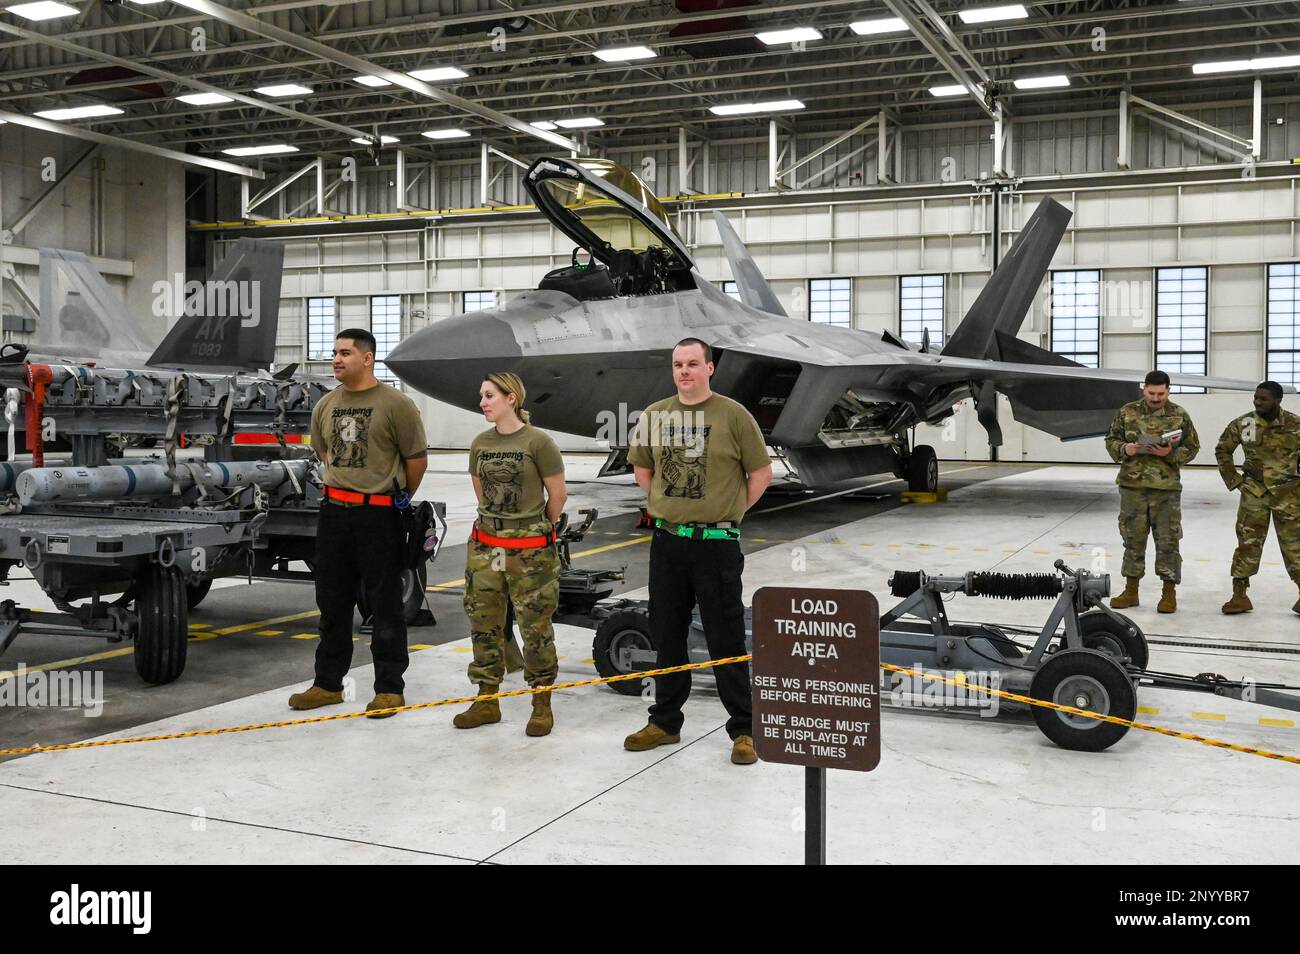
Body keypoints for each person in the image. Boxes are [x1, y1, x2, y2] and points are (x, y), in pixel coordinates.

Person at [623, 337, 773, 765]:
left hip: (716, 546)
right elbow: (643, 469)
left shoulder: (734, 415)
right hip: (668, 543)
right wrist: (666, 508)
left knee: (725, 637)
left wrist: (732, 510)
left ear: (710, 368)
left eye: (692, 363)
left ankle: (744, 730)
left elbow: (760, 473)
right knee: (667, 635)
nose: (684, 371)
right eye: (677, 364)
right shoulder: (655, 415)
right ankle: (665, 722)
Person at [290, 329, 428, 717]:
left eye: (345, 353)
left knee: (384, 604)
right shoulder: (326, 405)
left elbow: (416, 460)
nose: (336, 359)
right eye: (334, 352)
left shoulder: (396, 404)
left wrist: (394, 497)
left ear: (367, 359)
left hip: (379, 515)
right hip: (334, 514)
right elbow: (323, 451)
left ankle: (389, 689)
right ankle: (327, 684)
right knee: (331, 602)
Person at [454, 371, 567, 736]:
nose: (483, 402)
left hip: (530, 553)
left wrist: (531, 529)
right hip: (487, 547)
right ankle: (487, 699)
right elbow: (482, 496)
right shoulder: (480, 443)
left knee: (535, 627)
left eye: (489, 396)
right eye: (482, 396)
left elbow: (557, 497)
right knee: (484, 622)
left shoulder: (539, 442)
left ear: (511, 399)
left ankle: (541, 702)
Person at [1103, 369, 1200, 614]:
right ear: (1143, 389)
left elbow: (1193, 446)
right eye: (1151, 392)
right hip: (1132, 487)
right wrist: (1126, 448)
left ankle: (1169, 593)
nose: (1156, 398)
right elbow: (1111, 439)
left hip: (1165, 489)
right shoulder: (1127, 412)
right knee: (1132, 539)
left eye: (1161, 393)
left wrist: (1171, 454)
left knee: (1168, 541)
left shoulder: (1179, 415)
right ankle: (1131, 591)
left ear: (1169, 390)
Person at [1215, 381, 1300, 614]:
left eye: (1263, 398)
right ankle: (1239, 595)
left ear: (1278, 400)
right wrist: (1235, 481)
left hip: (1289, 494)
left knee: (1295, 546)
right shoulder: (1246, 423)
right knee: (1247, 544)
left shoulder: (1295, 424)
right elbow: (1223, 449)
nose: (1257, 402)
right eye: (1256, 398)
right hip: (1255, 493)